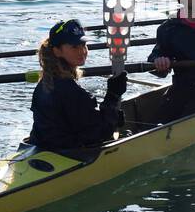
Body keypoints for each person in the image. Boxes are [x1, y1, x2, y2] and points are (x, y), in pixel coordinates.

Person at [27, 19, 127, 151]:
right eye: (74, 47)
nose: (82, 51)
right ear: (57, 51)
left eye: (83, 45)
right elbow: (101, 133)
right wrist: (113, 95)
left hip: (39, 146)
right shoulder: (71, 91)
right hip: (69, 153)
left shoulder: (44, 83)